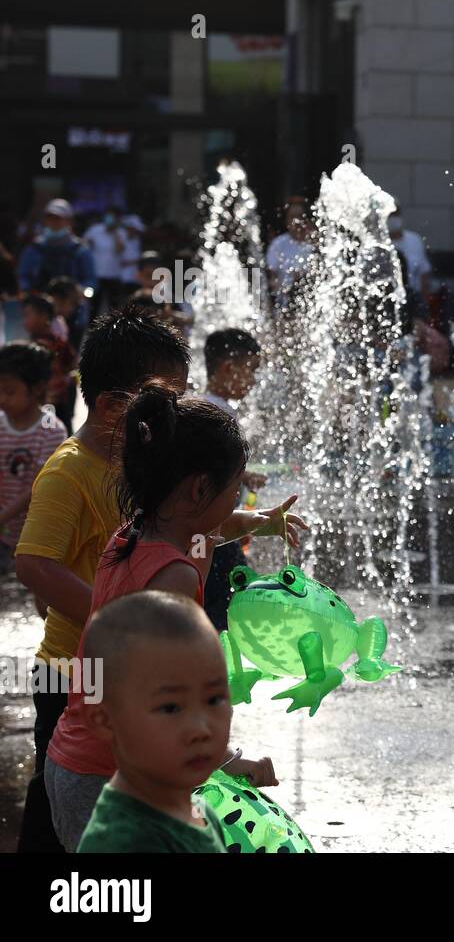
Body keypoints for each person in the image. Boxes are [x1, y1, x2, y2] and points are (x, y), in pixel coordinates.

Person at [44, 383, 303, 850]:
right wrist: (225, 760)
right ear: (200, 488)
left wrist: (262, 520)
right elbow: (169, 695)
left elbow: (215, 527)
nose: (239, 499)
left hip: (73, 758)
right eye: (236, 488)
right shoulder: (175, 579)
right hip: (112, 778)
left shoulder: (135, 534)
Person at [13, 307, 190, 853]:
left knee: (100, 786)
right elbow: (34, 563)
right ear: (114, 406)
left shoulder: (132, 460)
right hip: (70, 670)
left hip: (117, 666)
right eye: (165, 402)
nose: (174, 414)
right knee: (56, 788)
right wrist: (112, 615)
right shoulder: (69, 472)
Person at [73, 592, 233, 852]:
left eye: (214, 699)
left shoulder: (199, 811)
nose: (201, 730)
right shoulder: (124, 843)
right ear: (104, 720)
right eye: (171, 707)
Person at [199, 329, 268, 628]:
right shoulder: (219, 413)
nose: (253, 381)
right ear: (228, 368)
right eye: (251, 370)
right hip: (216, 529)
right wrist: (241, 475)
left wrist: (242, 475)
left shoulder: (204, 405)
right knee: (228, 599)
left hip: (211, 528)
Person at [0, 343, 67, 574]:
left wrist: (4, 516)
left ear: (37, 388)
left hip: (33, 531)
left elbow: (38, 487)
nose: (2, 399)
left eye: (9, 392)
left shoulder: (51, 431)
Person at [21, 293, 78, 431]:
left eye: (28, 315)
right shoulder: (57, 341)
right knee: (59, 432)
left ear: (44, 317)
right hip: (56, 398)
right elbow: (72, 364)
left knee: (49, 432)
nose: (24, 320)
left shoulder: (41, 345)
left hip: (49, 401)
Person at [17, 199, 96, 296]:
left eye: (58, 218)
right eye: (50, 217)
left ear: (69, 221)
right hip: (40, 305)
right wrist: (26, 290)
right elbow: (23, 275)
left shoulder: (80, 249)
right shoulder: (34, 248)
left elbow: (90, 281)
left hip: (72, 306)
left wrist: (83, 293)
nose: (54, 222)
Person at [265, 198, 315, 312]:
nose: (296, 221)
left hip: (310, 305)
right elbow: (271, 279)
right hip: (284, 306)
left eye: (300, 216)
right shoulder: (278, 244)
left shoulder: (314, 245)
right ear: (286, 220)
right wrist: (286, 286)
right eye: (292, 217)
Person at [81, 209, 127, 312]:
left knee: (114, 305)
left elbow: (120, 249)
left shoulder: (121, 233)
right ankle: (93, 326)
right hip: (97, 274)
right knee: (94, 305)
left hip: (114, 275)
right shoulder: (95, 229)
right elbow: (83, 243)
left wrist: (115, 233)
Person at [388, 207, 433, 299]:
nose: (392, 219)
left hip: (413, 295)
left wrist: (424, 301)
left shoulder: (414, 240)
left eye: (395, 214)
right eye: (389, 215)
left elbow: (424, 273)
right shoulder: (378, 242)